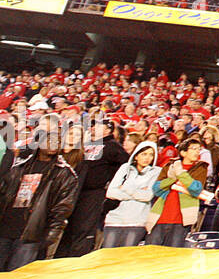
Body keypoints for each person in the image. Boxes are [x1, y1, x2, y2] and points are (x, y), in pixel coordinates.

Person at [0, 114, 79, 270]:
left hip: (32, 234)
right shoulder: (20, 167)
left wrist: (51, 234)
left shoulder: (65, 174)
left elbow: (63, 208)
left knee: (17, 276)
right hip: (5, 228)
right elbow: (3, 194)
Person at [55, 117, 128, 257]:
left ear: (108, 130)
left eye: (98, 126)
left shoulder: (113, 146)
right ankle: (59, 259)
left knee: (83, 229)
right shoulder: (86, 144)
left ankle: (76, 263)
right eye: (93, 126)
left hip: (94, 194)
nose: (93, 128)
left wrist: (111, 186)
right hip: (77, 191)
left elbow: (125, 167)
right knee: (70, 228)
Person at [146, 138, 207, 248]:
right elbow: (156, 188)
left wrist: (181, 173)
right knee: (151, 252)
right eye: (194, 149)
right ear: (183, 152)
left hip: (181, 220)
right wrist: (173, 179)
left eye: (199, 149)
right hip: (160, 217)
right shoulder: (169, 165)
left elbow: (196, 189)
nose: (197, 152)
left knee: (173, 255)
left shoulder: (201, 167)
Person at [101, 141, 160, 248]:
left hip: (137, 222)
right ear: (136, 155)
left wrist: (124, 188)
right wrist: (138, 192)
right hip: (115, 219)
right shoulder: (125, 168)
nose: (147, 158)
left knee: (125, 257)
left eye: (151, 154)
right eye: (144, 154)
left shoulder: (156, 172)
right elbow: (111, 192)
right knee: (107, 256)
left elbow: (147, 196)